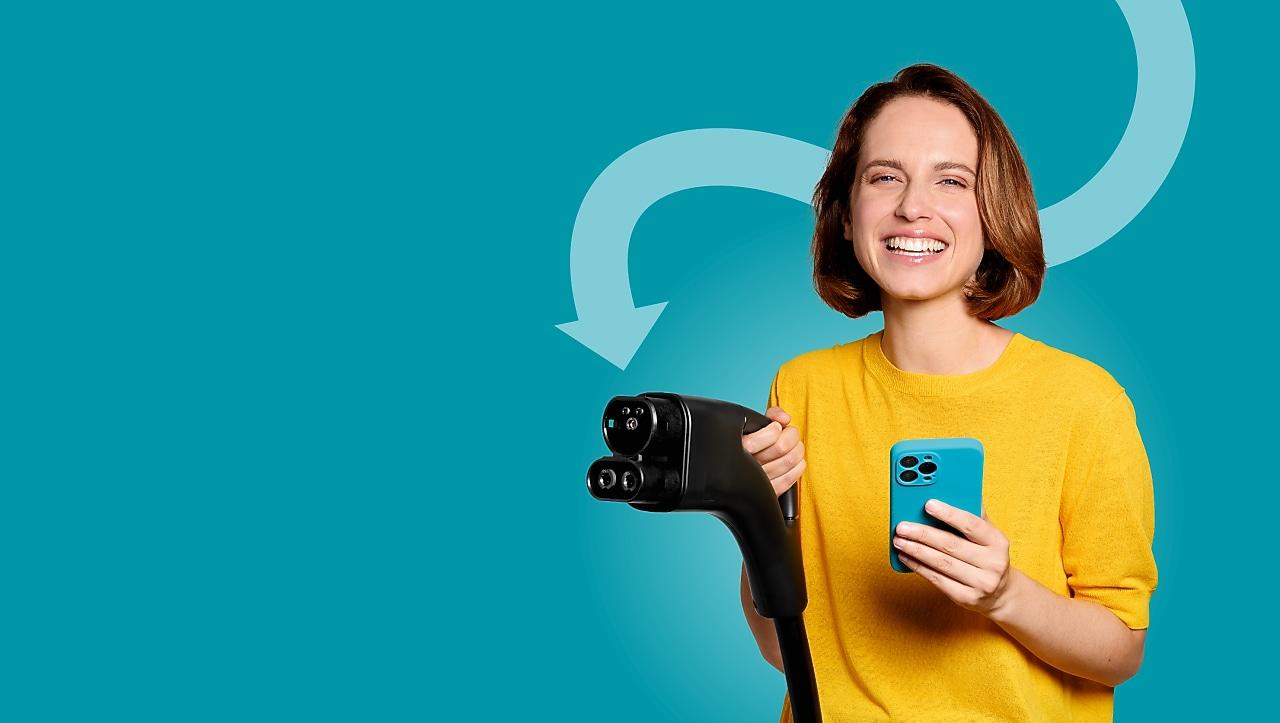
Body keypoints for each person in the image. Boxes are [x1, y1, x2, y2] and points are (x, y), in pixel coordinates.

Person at [738, 64, 1157, 722]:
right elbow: (785, 648)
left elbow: (1121, 650)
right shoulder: (803, 386)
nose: (912, 206)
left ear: (993, 214)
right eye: (884, 176)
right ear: (847, 215)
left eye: (951, 180)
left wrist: (1006, 594)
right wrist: (753, 516)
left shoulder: (1084, 401)